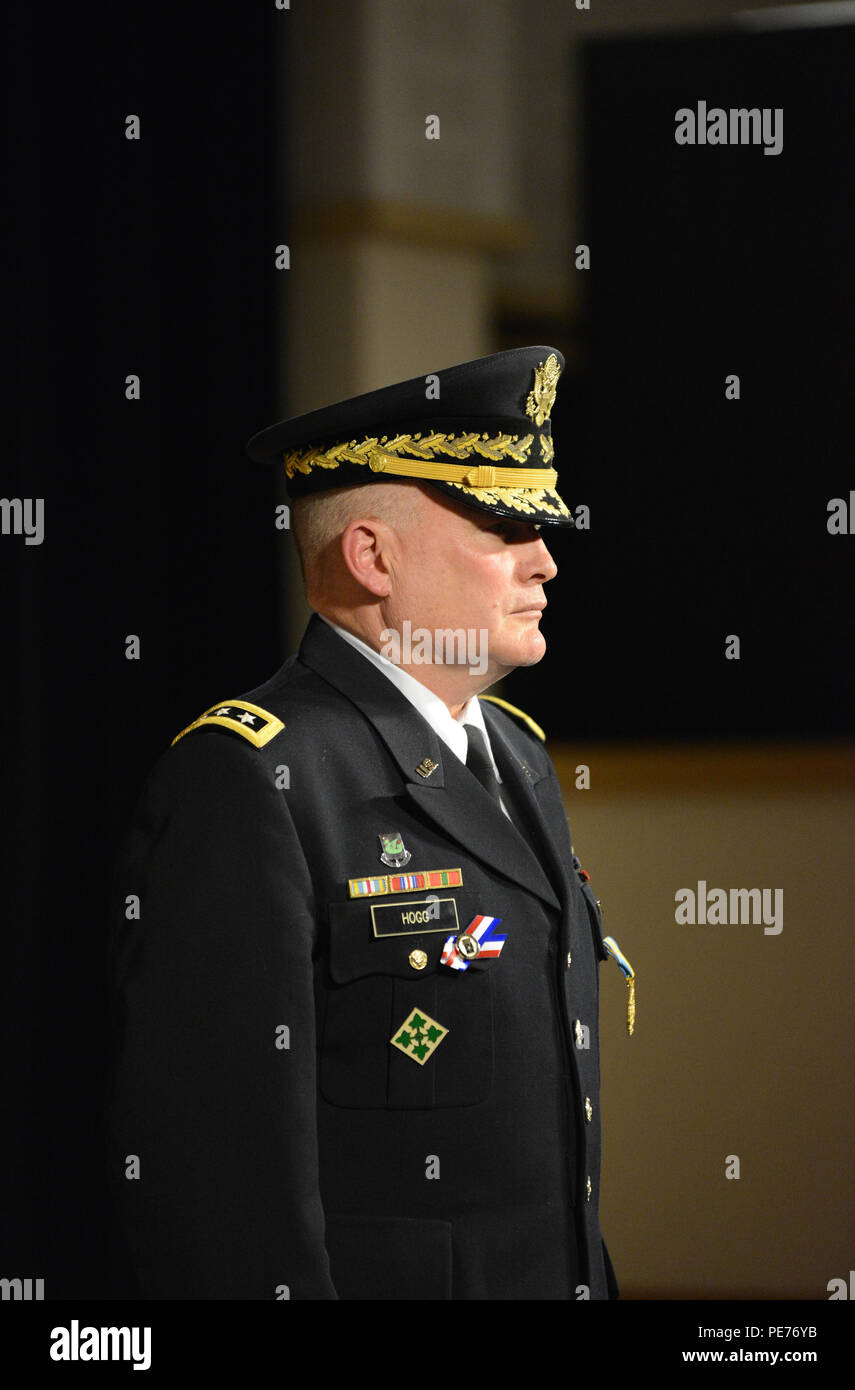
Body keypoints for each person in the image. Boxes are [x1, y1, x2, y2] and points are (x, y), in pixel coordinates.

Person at [106, 345, 624, 1300]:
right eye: (506, 524)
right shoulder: (249, 778)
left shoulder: (516, 753)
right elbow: (224, 1191)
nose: (545, 559)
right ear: (371, 555)